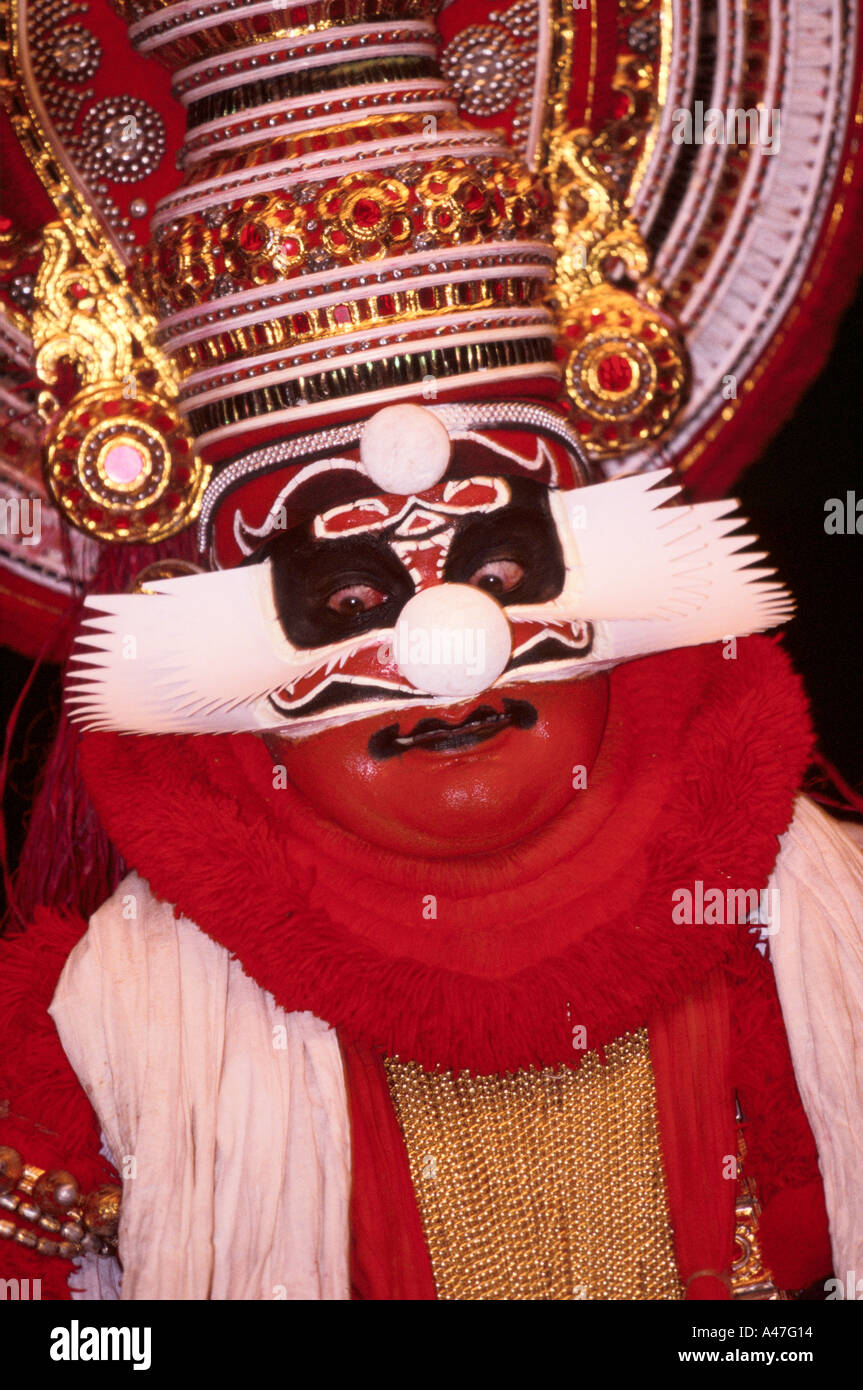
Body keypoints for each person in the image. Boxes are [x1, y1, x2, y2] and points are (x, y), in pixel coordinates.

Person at [1, 0, 862, 1301]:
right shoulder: (104, 1032)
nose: (449, 653)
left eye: (502, 571)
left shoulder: (810, 929)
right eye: (346, 607)